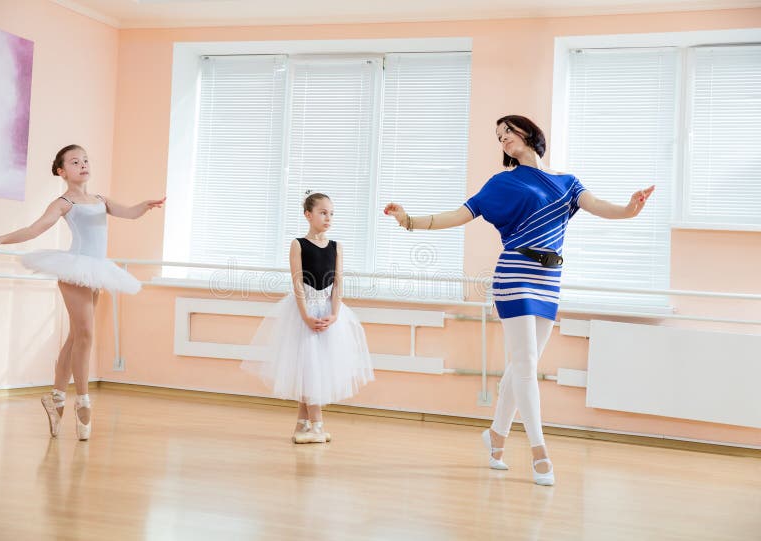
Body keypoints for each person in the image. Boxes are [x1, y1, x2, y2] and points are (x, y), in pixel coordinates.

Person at [384, 115, 654, 485]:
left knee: (521, 364)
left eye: (507, 132)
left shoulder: (567, 183)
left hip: (549, 278)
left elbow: (601, 206)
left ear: (528, 133)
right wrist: (409, 221)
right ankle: (539, 452)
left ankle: (496, 436)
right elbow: (459, 215)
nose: (503, 140)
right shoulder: (501, 183)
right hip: (515, 273)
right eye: (498, 137)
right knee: (526, 363)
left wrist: (629, 209)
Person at [0, 144, 165, 441]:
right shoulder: (64, 202)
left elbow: (129, 212)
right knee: (86, 335)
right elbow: (34, 229)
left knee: (76, 337)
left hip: (96, 270)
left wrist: (145, 205)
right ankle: (83, 401)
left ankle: (56, 397)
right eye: (75, 162)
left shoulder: (100, 200)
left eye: (85, 159)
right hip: (75, 271)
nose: (83, 164)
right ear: (62, 171)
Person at [242, 192, 374, 443]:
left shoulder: (336, 246)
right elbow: (298, 283)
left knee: (315, 368)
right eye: (323, 212)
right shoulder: (298, 244)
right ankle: (317, 426)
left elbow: (338, 283)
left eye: (331, 213)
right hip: (304, 313)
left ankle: (302, 424)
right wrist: (305, 316)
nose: (328, 218)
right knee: (309, 369)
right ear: (308, 215)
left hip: (328, 312)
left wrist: (334, 314)